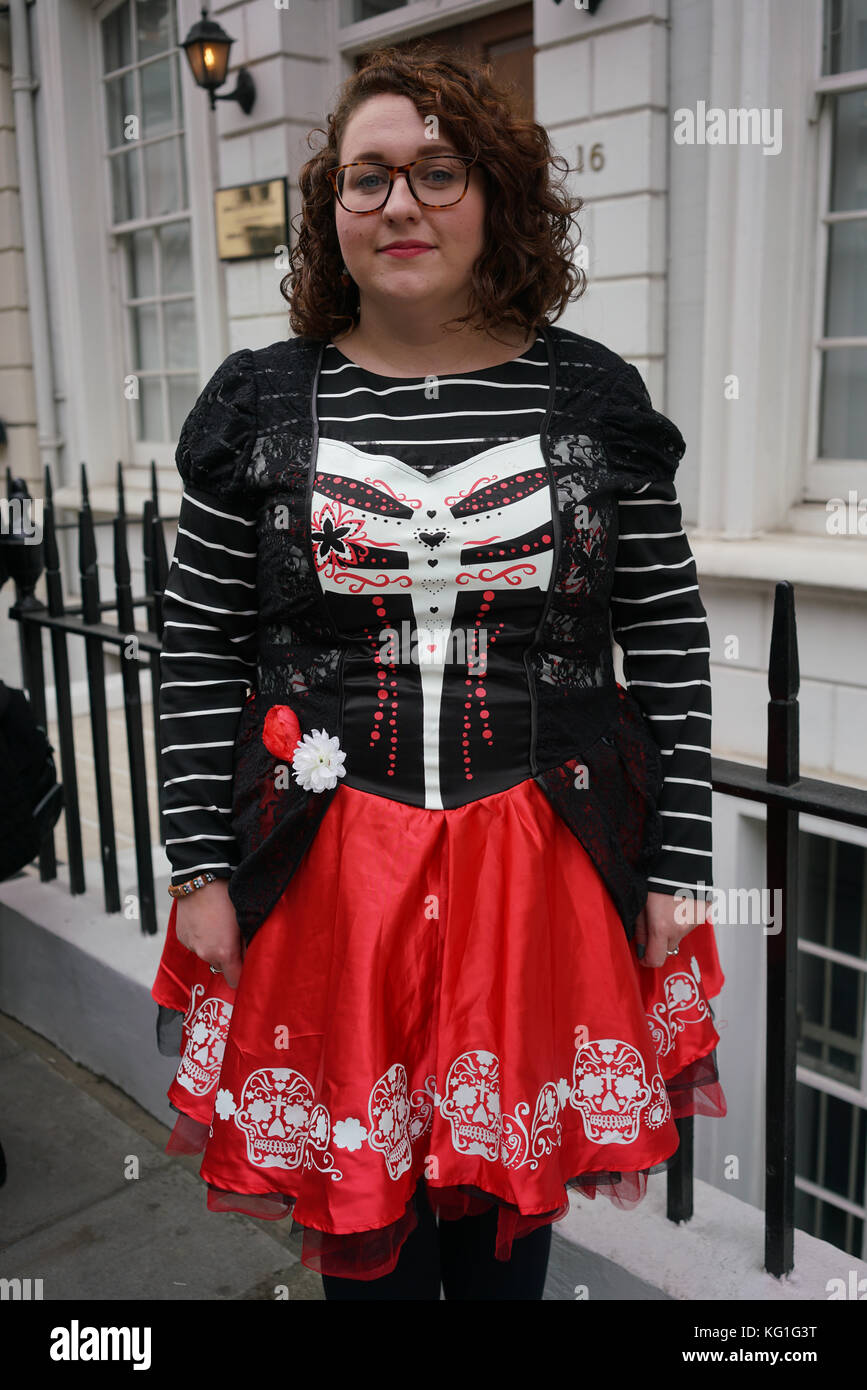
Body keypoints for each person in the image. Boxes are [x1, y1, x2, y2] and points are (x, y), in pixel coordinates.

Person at [150, 42, 726, 1302]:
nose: (399, 204)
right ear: (333, 210)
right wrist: (197, 867)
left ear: (495, 198)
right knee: (369, 1239)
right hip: (324, 878)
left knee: (507, 1223)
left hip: (540, 868)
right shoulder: (261, 400)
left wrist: (680, 863)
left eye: (438, 172)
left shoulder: (592, 392)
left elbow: (668, 638)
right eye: (367, 178)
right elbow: (196, 644)